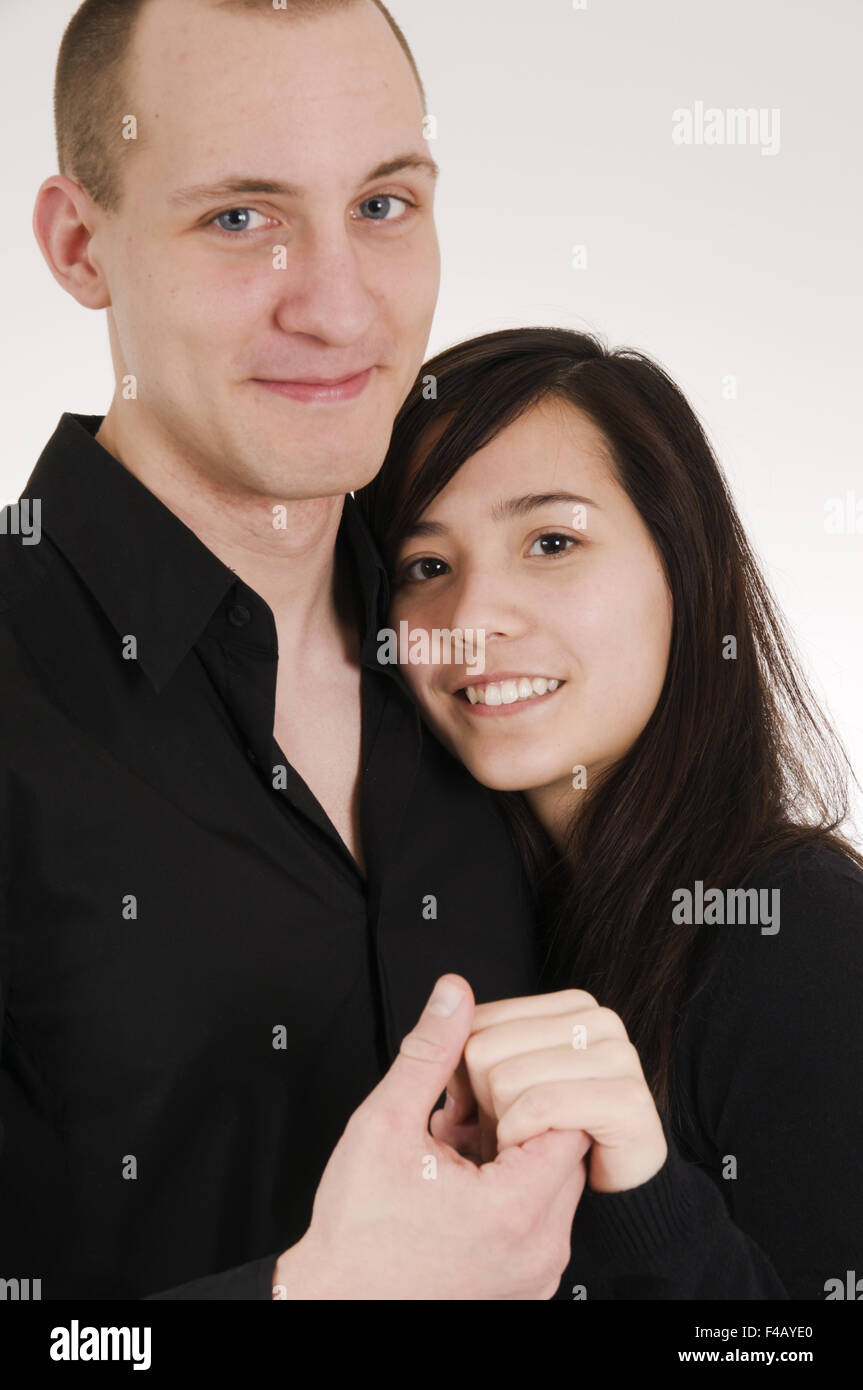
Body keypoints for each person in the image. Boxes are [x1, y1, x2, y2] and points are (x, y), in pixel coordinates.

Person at [0, 0, 590, 1301]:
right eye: (239, 219)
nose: (338, 308)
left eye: (382, 205)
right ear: (79, 243)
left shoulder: (503, 666)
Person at [355, 325, 863, 1299]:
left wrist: (641, 1186)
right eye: (425, 565)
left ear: (682, 565)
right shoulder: (450, 915)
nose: (474, 617)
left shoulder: (792, 927)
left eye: (551, 541)